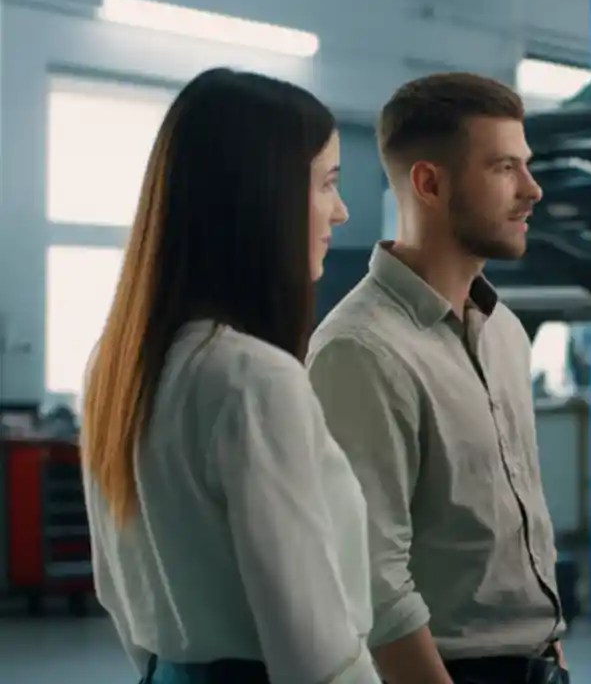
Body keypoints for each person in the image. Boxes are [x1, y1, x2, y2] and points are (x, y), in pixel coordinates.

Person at [80, 68, 381, 683]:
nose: (342, 211)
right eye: (327, 184)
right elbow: (312, 647)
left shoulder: (114, 365)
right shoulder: (254, 379)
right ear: (261, 196)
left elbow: (118, 590)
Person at [306, 72, 568, 684]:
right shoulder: (360, 350)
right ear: (429, 182)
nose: (532, 190)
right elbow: (373, 581)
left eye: (526, 166)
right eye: (505, 168)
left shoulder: (504, 331)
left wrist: (549, 652)